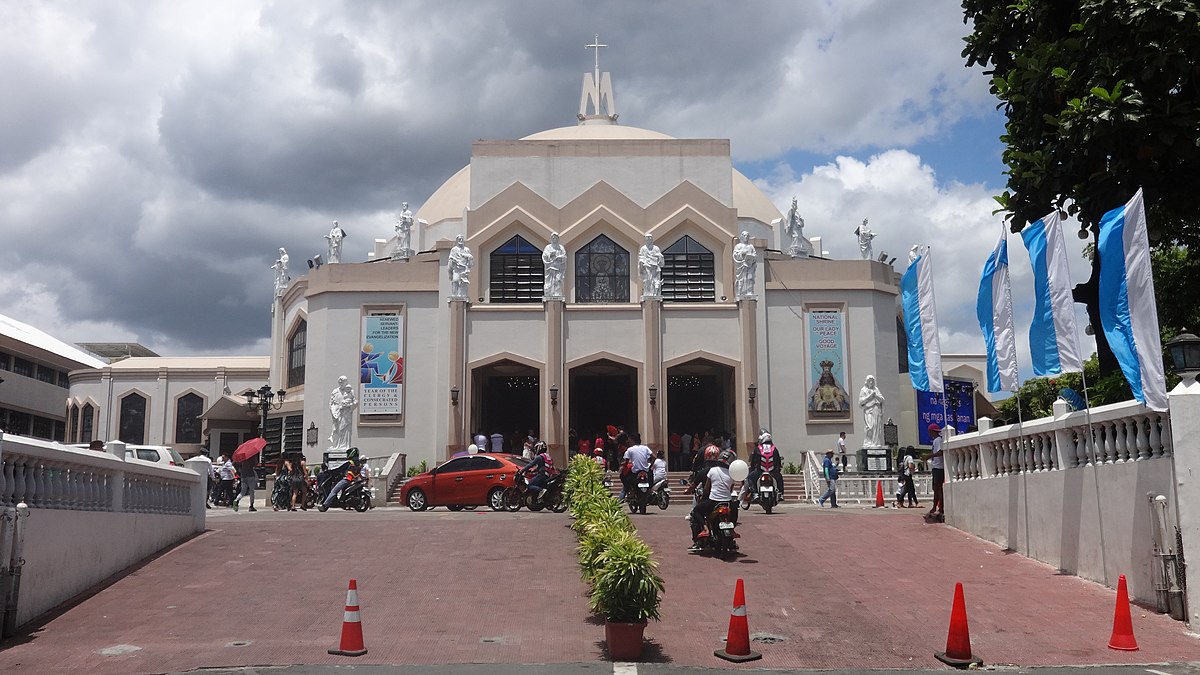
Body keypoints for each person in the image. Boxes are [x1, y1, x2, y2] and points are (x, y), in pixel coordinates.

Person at [688, 447, 737, 551]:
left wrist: (703, 497)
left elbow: (706, 489)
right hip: (727, 502)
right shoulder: (732, 474)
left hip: (713, 501)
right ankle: (732, 531)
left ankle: (705, 528)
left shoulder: (712, 471)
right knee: (735, 510)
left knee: (696, 511)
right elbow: (731, 489)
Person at [742, 431, 784, 505]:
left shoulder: (758, 448)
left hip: (759, 471)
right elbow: (778, 459)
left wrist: (752, 468)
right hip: (773, 471)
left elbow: (754, 460)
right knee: (779, 478)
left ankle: (755, 493)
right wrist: (778, 468)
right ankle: (780, 493)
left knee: (750, 478)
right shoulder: (774, 448)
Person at [620, 432, 653, 501]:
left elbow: (626, 462)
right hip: (646, 470)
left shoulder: (630, 450)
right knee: (651, 477)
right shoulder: (645, 448)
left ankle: (630, 490)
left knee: (622, 476)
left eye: (629, 440)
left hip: (635, 471)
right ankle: (650, 490)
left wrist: (622, 466)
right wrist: (650, 466)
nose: (628, 441)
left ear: (632, 440)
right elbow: (654, 458)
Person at [328, 375, 358, 450]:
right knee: (336, 429)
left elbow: (355, 401)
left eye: (343, 382)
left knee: (344, 429)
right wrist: (333, 412)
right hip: (337, 414)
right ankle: (335, 445)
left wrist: (350, 406)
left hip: (346, 414)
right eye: (340, 382)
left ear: (346, 382)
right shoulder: (335, 392)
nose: (341, 384)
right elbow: (331, 403)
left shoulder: (350, 391)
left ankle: (344, 446)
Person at [858, 375, 885, 447]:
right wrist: (870, 396)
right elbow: (861, 402)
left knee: (876, 426)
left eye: (872, 381)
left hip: (876, 409)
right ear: (866, 382)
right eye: (869, 381)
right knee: (870, 426)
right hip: (868, 410)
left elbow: (882, 399)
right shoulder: (863, 390)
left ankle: (875, 442)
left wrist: (876, 396)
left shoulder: (876, 389)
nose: (871, 383)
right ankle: (868, 441)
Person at [638, 233, 664, 298]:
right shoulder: (643, 248)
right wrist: (643, 262)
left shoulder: (656, 248)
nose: (648, 239)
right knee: (647, 280)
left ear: (652, 239)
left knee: (655, 280)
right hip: (647, 267)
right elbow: (641, 257)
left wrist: (658, 256)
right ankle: (648, 292)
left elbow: (660, 256)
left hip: (655, 267)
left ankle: (655, 292)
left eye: (650, 238)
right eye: (647, 238)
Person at [732, 230, 757, 298]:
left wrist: (752, 257)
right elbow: (735, 255)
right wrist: (742, 253)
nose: (746, 237)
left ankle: (749, 292)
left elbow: (755, 255)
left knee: (750, 278)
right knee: (741, 279)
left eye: (747, 236)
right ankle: (740, 293)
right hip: (741, 265)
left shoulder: (751, 246)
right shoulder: (738, 246)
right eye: (745, 236)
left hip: (750, 265)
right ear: (742, 237)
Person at [541, 232, 566, 299]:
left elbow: (564, 257)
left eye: (556, 238)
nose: (554, 239)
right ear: (551, 239)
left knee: (558, 280)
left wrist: (559, 257)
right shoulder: (548, 247)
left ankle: (557, 294)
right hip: (550, 268)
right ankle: (549, 293)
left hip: (558, 268)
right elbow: (544, 256)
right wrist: (550, 256)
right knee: (550, 282)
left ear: (558, 238)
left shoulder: (561, 247)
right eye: (553, 238)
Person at [448, 234, 474, 298]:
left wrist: (469, 258)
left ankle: (462, 295)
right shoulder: (454, 249)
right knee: (455, 280)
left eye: (462, 239)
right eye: (459, 239)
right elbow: (450, 258)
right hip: (456, 268)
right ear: (457, 240)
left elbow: (470, 260)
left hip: (464, 269)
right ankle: (454, 295)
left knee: (463, 283)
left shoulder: (466, 250)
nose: (461, 240)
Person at [928, 423, 945, 516]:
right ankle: (935, 506)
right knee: (936, 488)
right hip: (936, 467)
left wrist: (929, 456)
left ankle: (940, 507)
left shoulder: (938, 440)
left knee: (938, 488)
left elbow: (940, 452)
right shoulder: (936, 440)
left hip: (938, 467)